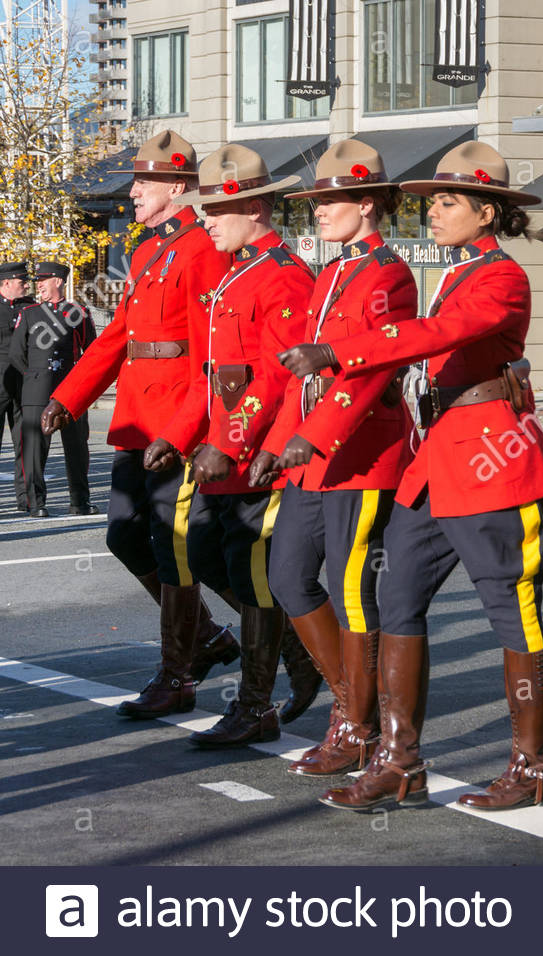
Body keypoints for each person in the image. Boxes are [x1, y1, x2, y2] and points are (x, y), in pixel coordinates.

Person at [278, 140, 543, 812]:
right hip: (436, 464)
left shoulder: (501, 278)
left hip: (494, 463)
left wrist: (337, 352)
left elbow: (437, 335)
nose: (432, 212)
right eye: (432, 200)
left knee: (512, 618)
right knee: (398, 599)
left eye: (448, 201)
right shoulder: (458, 271)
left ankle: (532, 766)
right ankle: (399, 760)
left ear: (487, 212)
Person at [43, 131, 242, 718]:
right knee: (124, 535)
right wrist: (68, 396)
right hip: (138, 415)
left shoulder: (204, 249)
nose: (133, 192)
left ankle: (181, 672)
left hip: (176, 418)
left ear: (177, 187)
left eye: (144, 182)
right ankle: (209, 637)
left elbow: (212, 352)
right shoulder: (151, 249)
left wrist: (189, 427)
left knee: (177, 547)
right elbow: (119, 334)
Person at [245, 139, 418, 778]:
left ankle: (358, 727)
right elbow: (302, 374)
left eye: (330, 200)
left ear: (366, 203)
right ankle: (349, 704)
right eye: (314, 202)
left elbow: (370, 371)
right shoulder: (333, 272)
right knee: (289, 576)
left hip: (362, 453)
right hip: (312, 455)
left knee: (352, 592)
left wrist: (312, 436)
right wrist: (272, 446)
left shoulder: (387, 275)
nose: (316, 211)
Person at [141, 144, 317, 747]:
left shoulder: (285, 275)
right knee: (216, 562)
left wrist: (231, 442)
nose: (206, 218)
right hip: (222, 450)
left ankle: (256, 705)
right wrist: (177, 434)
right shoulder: (240, 270)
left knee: (254, 571)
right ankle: (298, 657)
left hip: (261, 453)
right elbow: (211, 375)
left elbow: (276, 374)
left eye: (217, 207)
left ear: (257, 208)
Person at [9, 263, 94, 517]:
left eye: (44, 280)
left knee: (77, 448)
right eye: (38, 281)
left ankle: (79, 501)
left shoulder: (78, 312)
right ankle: (36, 503)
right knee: (34, 450)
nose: (39, 285)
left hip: (69, 392)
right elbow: (17, 354)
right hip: (36, 391)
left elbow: (91, 353)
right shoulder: (30, 313)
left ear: (58, 281)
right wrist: (35, 377)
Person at [0, 262, 34, 512]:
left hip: (23, 384)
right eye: (21, 282)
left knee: (24, 442)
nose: (26, 286)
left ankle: (26, 498)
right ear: (6, 283)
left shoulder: (31, 307)